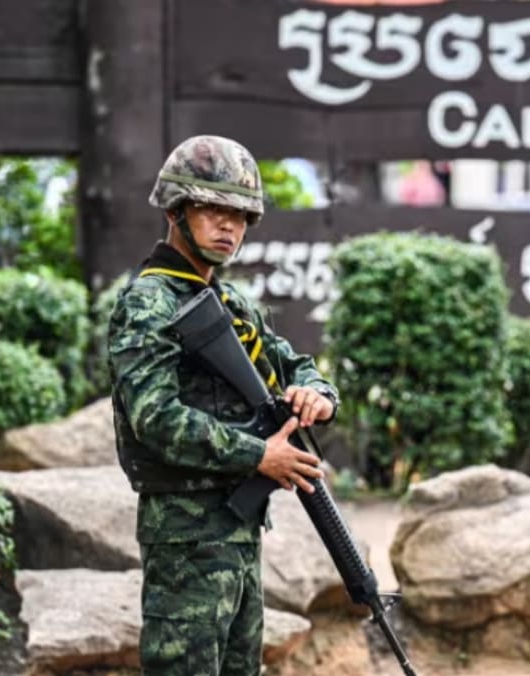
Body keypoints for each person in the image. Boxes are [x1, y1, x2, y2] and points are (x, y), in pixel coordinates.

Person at [108, 134, 339, 675]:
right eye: (213, 208)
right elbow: (154, 419)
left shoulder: (232, 305)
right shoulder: (147, 303)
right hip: (185, 538)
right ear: (176, 209)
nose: (229, 225)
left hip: (238, 533)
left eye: (239, 214)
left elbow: (295, 366)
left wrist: (318, 395)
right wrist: (257, 456)